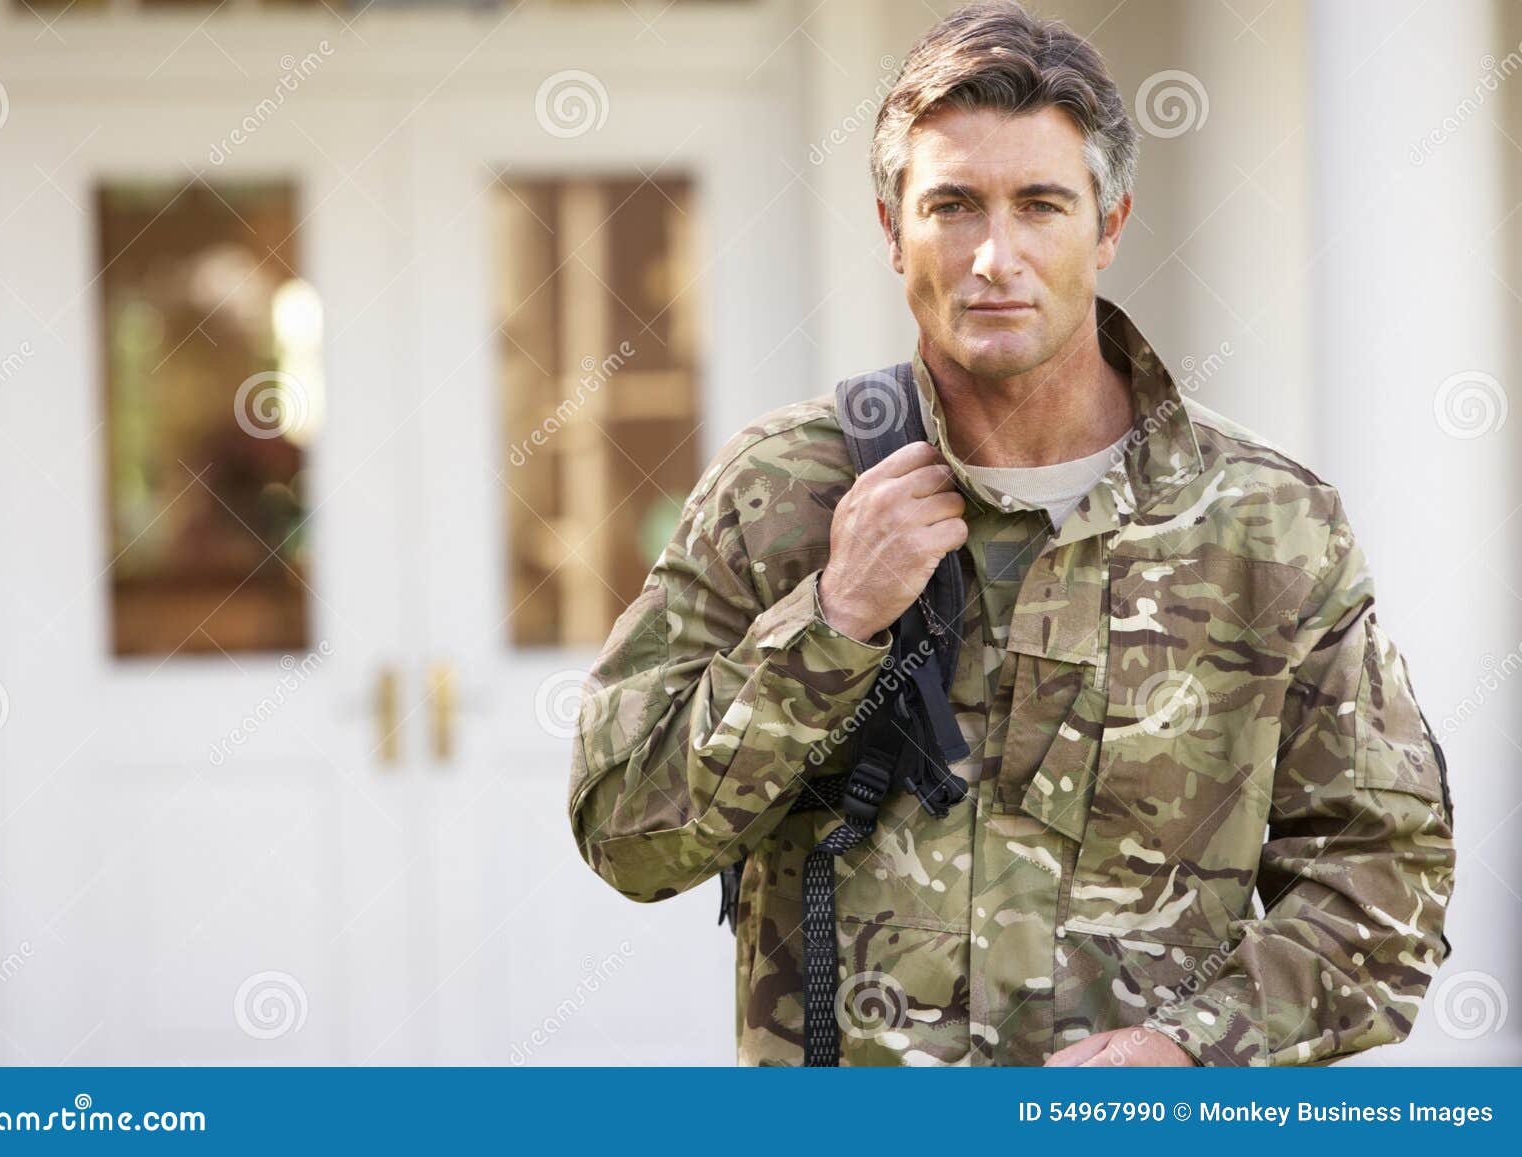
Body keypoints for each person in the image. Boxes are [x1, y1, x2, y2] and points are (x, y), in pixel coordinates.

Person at [567, 0, 1454, 1066]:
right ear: (892, 229)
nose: (994, 256)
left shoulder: (1266, 523)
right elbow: (626, 831)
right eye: (952, 205)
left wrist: (1191, 1049)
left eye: (1040, 204)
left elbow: (1385, 878)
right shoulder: (781, 491)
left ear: (1109, 225)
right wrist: (831, 619)